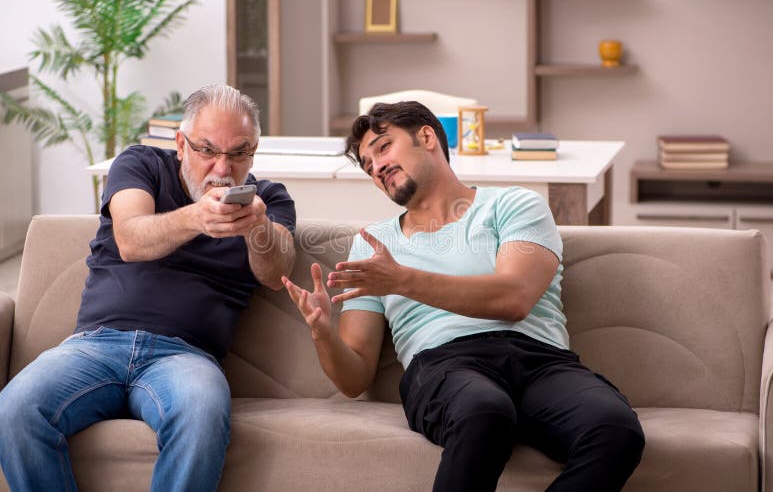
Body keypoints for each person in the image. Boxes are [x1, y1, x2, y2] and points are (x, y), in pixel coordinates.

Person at [282, 101, 644, 492]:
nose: (377, 167)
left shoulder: (513, 205)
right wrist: (322, 333)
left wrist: (401, 280)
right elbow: (354, 379)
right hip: (444, 366)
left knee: (615, 429)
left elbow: (515, 298)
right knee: (484, 411)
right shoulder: (373, 244)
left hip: (541, 362)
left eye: (383, 147)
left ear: (426, 136)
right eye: (368, 166)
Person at [0, 84, 296, 492]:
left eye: (238, 153)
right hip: (96, 345)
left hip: (186, 356)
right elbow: (131, 239)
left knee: (201, 414)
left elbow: (276, 273)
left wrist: (257, 227)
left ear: (254, 152)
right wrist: (195, 218)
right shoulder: (141, 164)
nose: (223, 168)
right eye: (207, 150)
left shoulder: (269, 199)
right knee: (14, 409)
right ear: (181, 144)